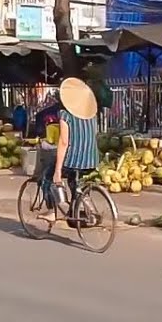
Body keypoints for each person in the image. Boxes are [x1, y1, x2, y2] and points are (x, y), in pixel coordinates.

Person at [41, 77, 100, 221]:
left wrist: (58, 171)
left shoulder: (65, 115)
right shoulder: (91, 114)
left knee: (47, 177)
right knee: (75, 182)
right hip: (92, 158)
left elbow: (63, 142)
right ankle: (81, 206)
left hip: (74, 159)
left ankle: (52, 212)